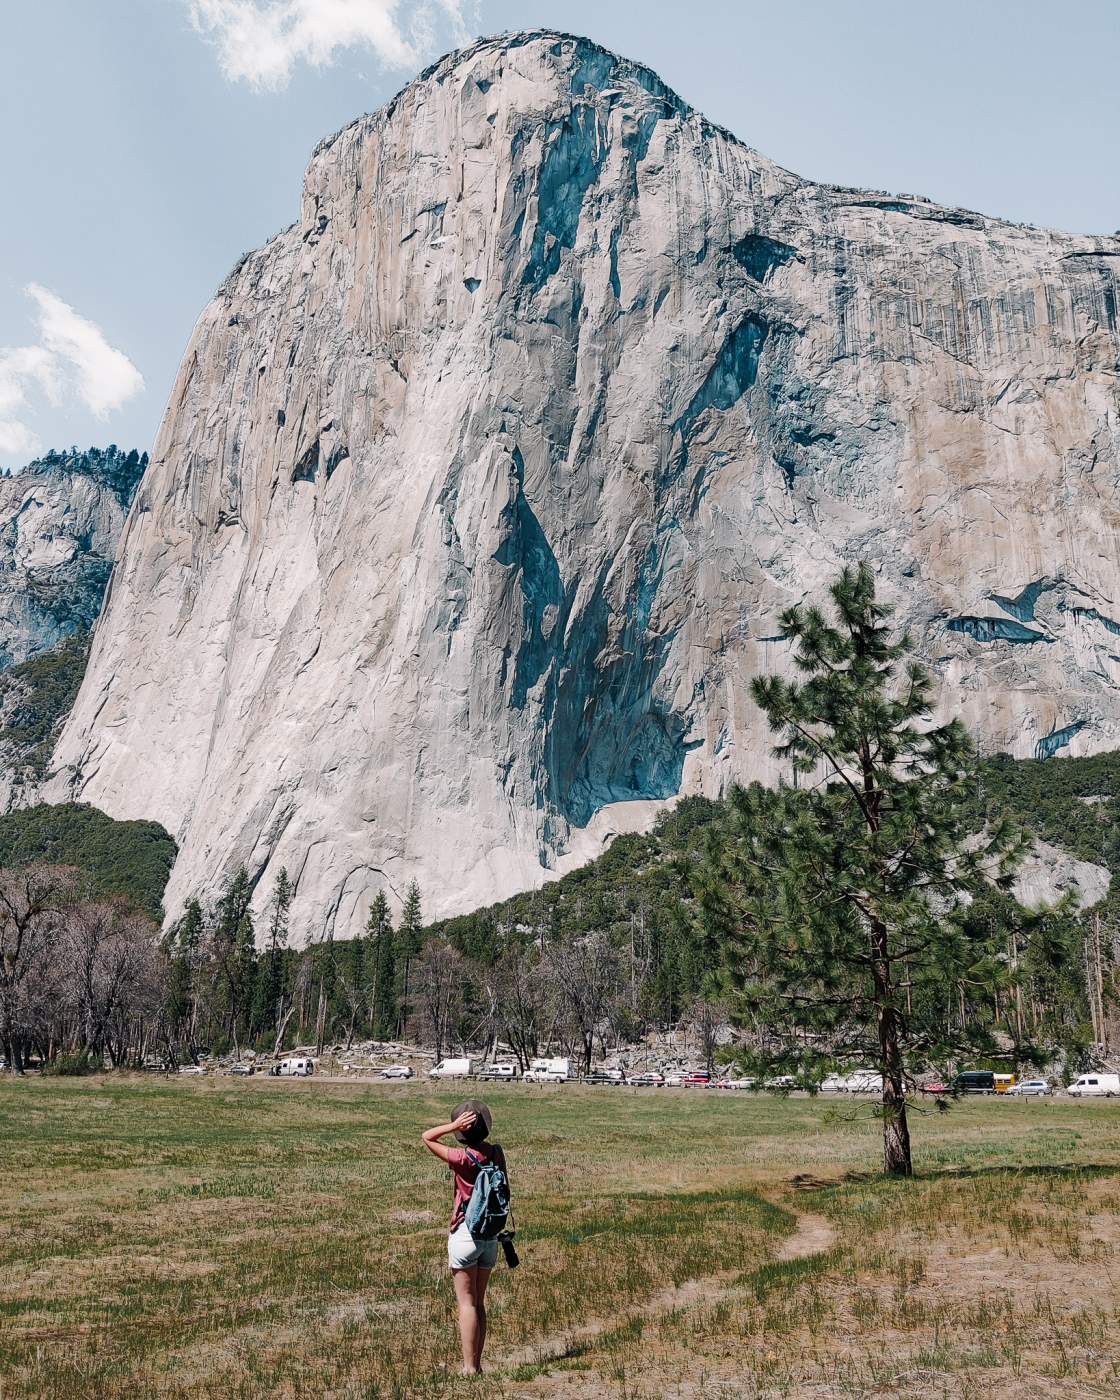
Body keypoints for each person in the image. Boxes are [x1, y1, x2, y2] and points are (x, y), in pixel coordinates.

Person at [421, 1099, 509, 1376]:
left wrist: (452, 1126)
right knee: (479, 1303)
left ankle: (469, 1368)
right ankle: (478, 1363)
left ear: (462, 1132)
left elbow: (427, 1137)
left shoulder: (461, 1158)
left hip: (465, 1233)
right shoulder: (497, 1153)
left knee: (466, 1303)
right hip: (490, 1234)